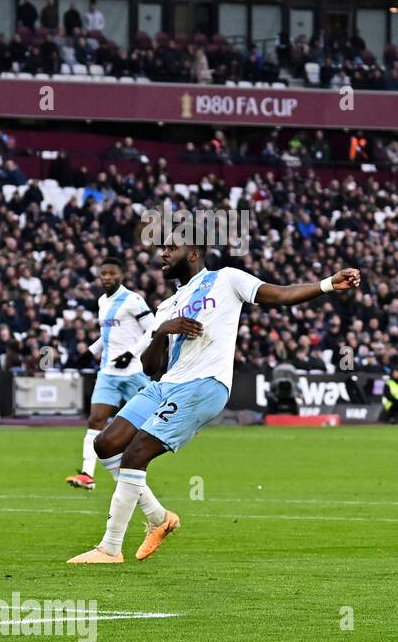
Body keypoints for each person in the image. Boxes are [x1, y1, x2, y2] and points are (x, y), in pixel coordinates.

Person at [68, 241, 361, 564]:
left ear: (193, 254)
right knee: (107, 444)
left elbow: (278, 294)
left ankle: (110, 548)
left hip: (204, 385)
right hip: (165, 384)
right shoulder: (167, 305)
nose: (163, 254)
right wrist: (162, 331)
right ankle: (158, 517)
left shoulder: (227, 279)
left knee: (136, 453)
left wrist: (327, 285)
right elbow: (151, 367)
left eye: (171, 248)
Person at [66, 257, 157, 491]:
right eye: (103, 273)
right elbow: (107, 335)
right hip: (108, 372)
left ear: (122, 275)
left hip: (133, 372)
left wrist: (132, 353)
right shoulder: (102, 302)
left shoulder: (133, 300)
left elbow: (153, 328)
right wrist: (91, 351)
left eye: (111, 273)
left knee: (148, 423)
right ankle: (87, 474)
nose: (107, 277)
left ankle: (136, 466)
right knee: (95, 419)